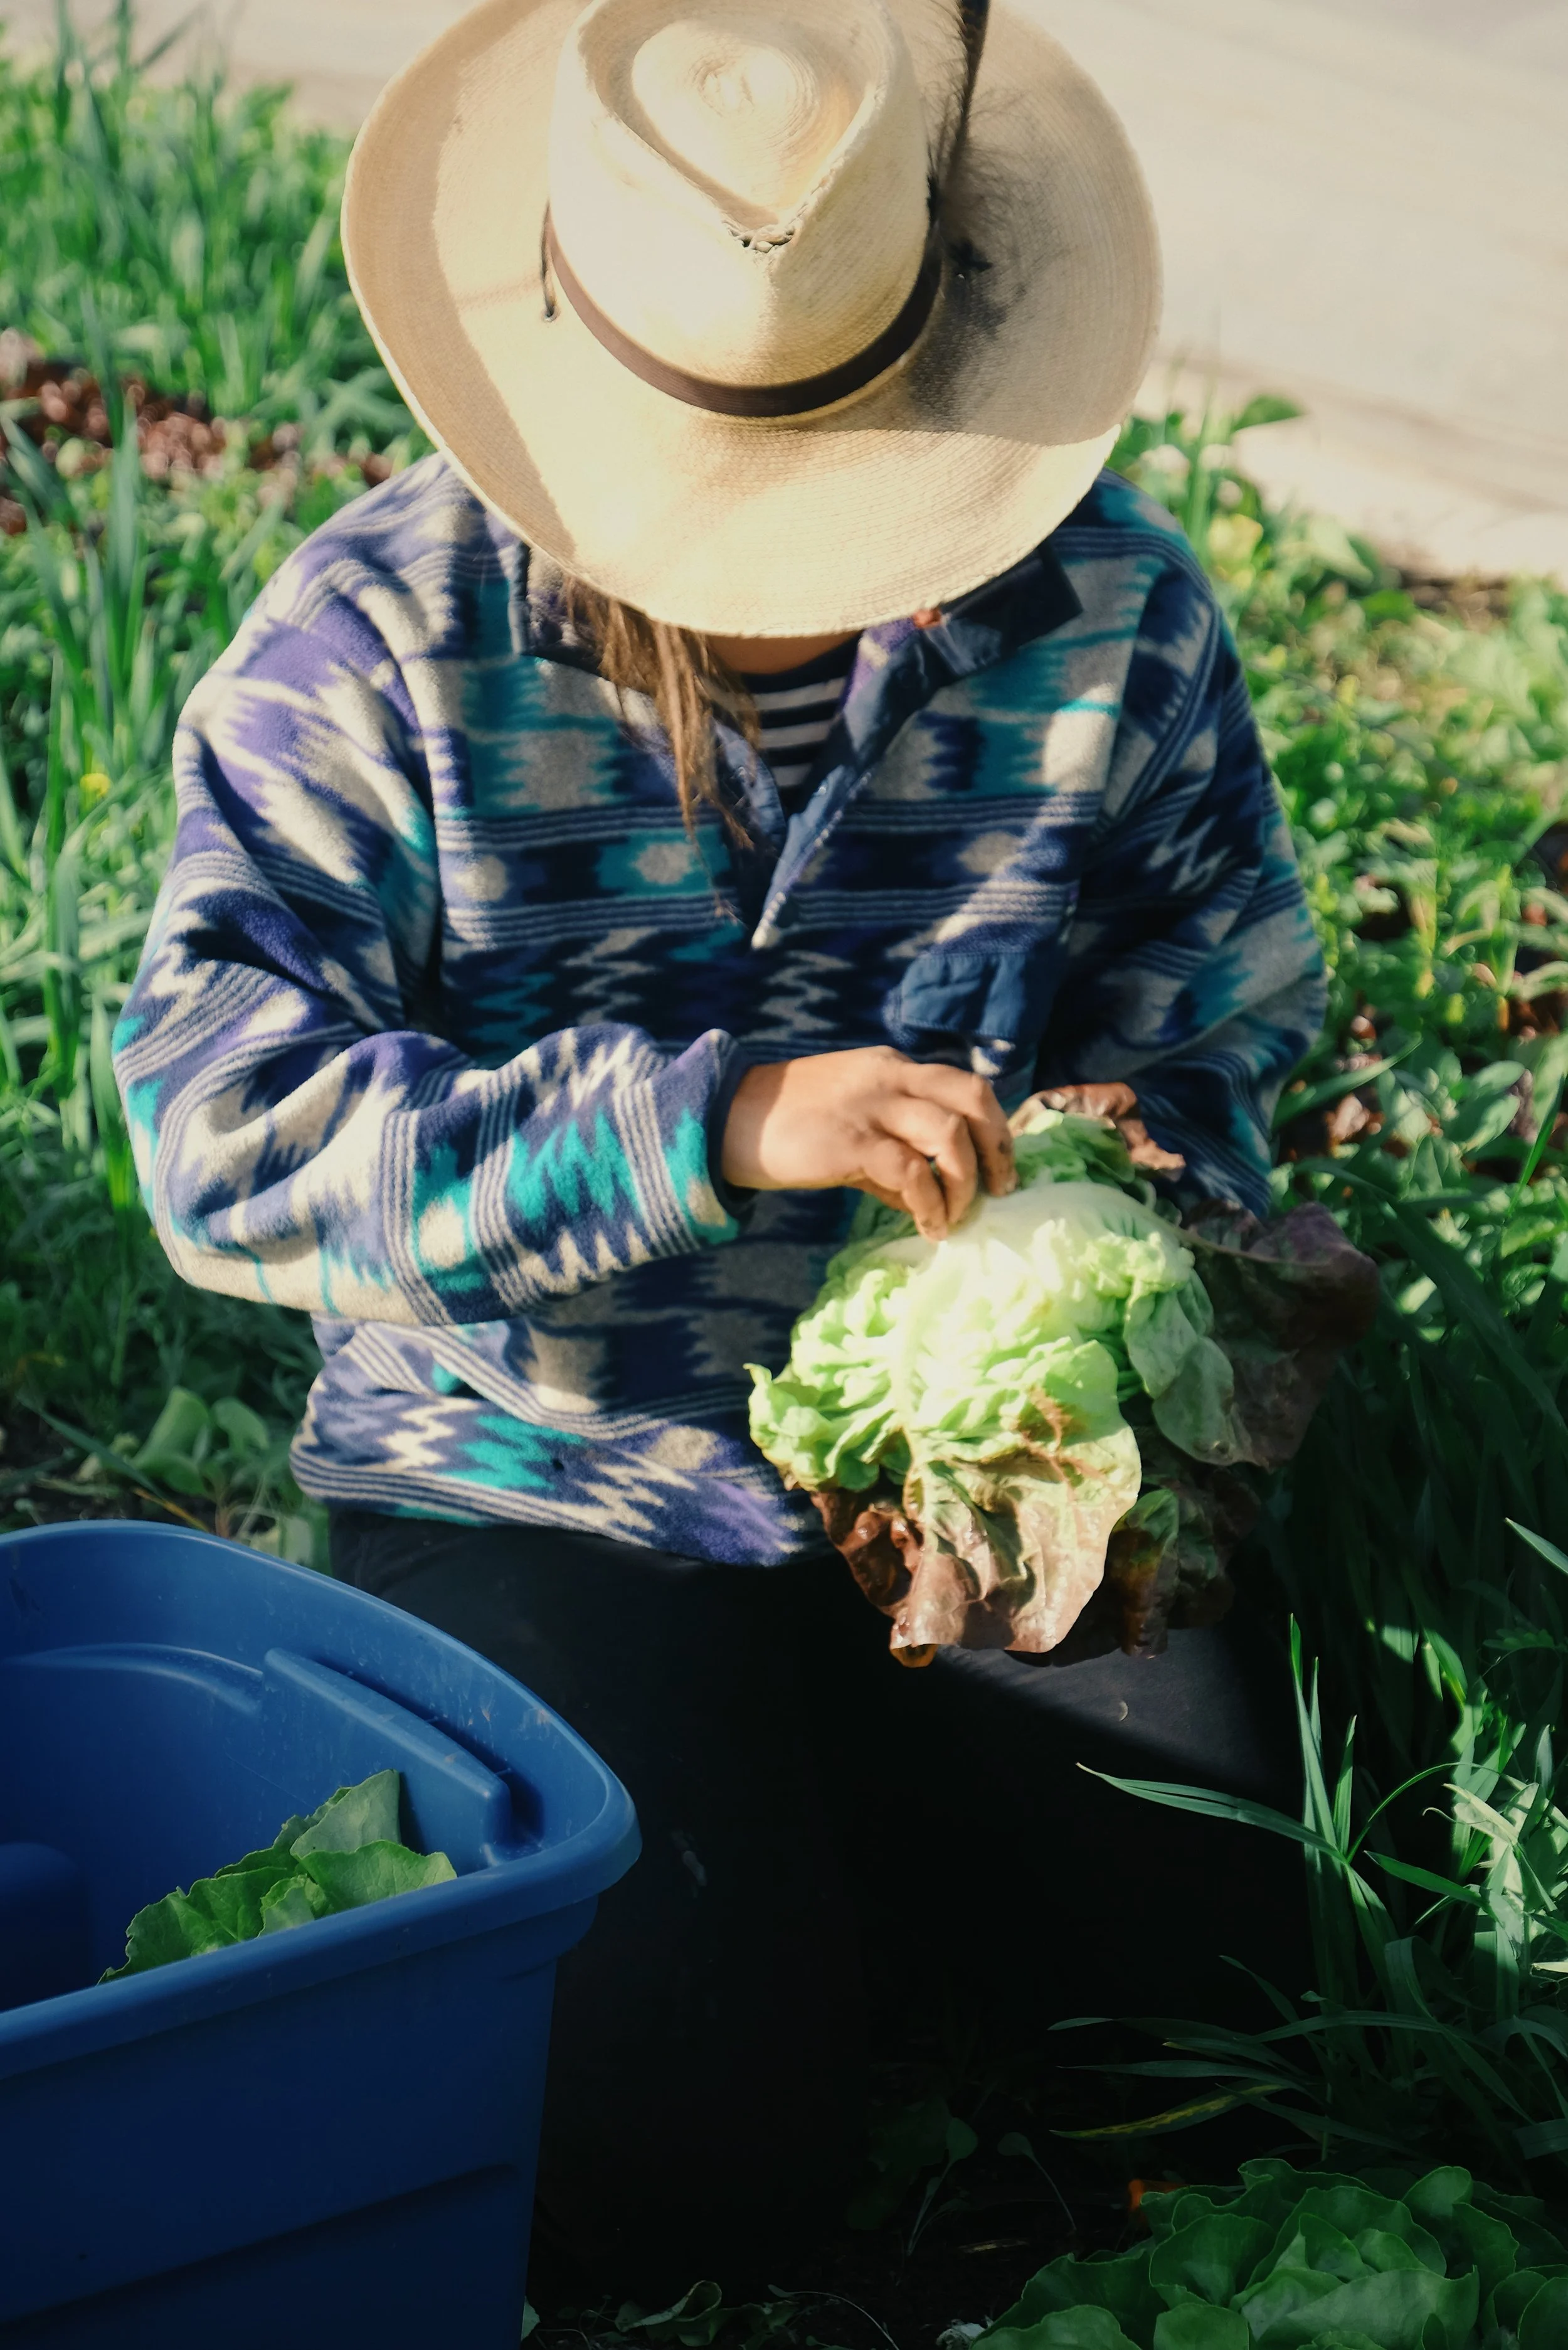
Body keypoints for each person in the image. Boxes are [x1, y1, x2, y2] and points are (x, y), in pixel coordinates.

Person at [115, 0, 1325, 2286]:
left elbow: (1220, 983)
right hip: (537, 1478)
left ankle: (805, 1808)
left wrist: (1129, 1150)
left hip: (971, 1476)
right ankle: (749, 1833)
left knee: (1218, 2004)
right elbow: (218, 1135)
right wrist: (707, 1131)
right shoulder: (376, 651)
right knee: (688, 2174)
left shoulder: (1107, 616)